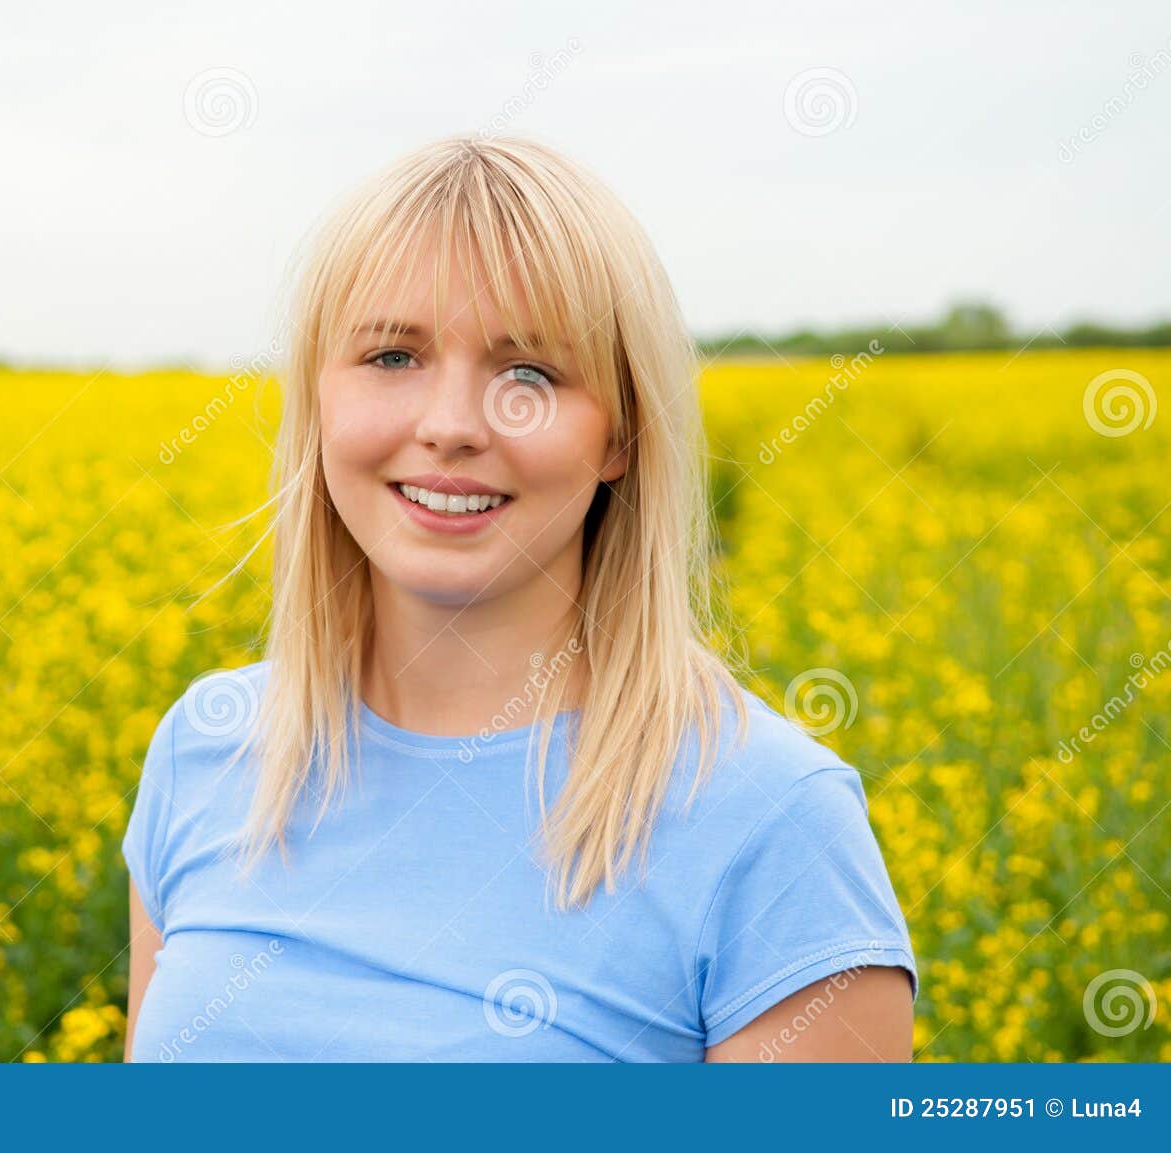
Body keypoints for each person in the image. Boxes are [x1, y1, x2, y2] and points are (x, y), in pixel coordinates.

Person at [123, 135, 916, 1062]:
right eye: (390, 356)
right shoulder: (206, 752)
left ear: (620, 433)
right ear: (318, 401)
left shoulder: (775, 823)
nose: (453, 426)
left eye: (529, 374)